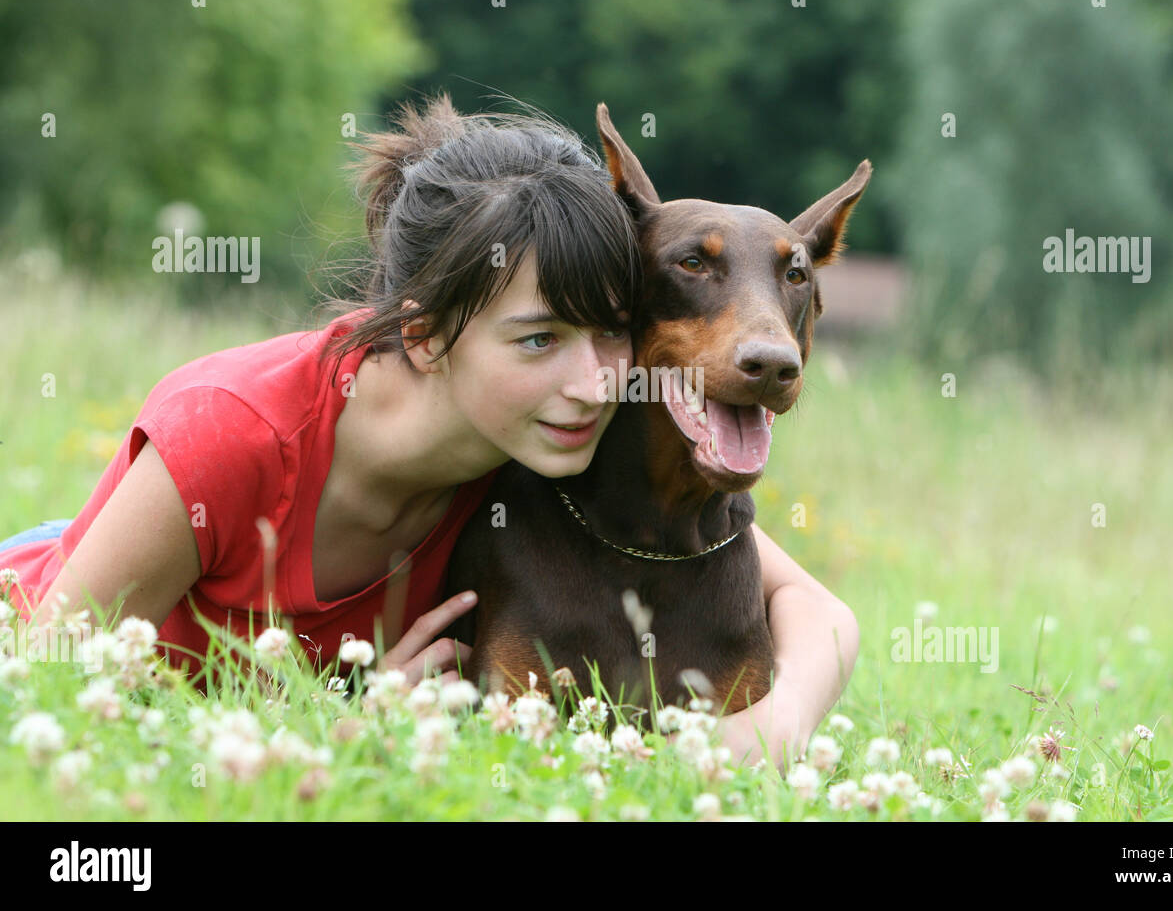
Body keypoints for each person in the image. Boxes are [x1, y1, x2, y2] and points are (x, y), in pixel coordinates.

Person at [0, 93, 858, 768]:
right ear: (423, 334)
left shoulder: (553, 447)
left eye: (610, 332)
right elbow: (43, 695)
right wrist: (332, 724)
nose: (593, 382)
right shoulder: (231, 430)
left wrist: (779, 726)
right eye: (538, 339)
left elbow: (819, 611)